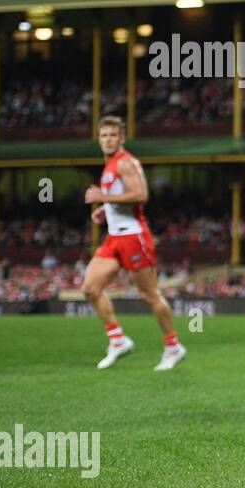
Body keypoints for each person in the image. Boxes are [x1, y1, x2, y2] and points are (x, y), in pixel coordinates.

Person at [82, 115, 185, 371]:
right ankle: (118, 340)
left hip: (133, 237)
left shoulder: (126, 162)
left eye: (113, 135)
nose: (108, 140)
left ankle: (173, 346)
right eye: (104, 135)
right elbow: (122, 197)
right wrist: (105, 209)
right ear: (98, 139)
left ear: (122, 138)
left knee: (149, 294)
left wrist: (102, 196)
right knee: (90, 288)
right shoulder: (110, 165)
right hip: (114, 236)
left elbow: (141, 194)